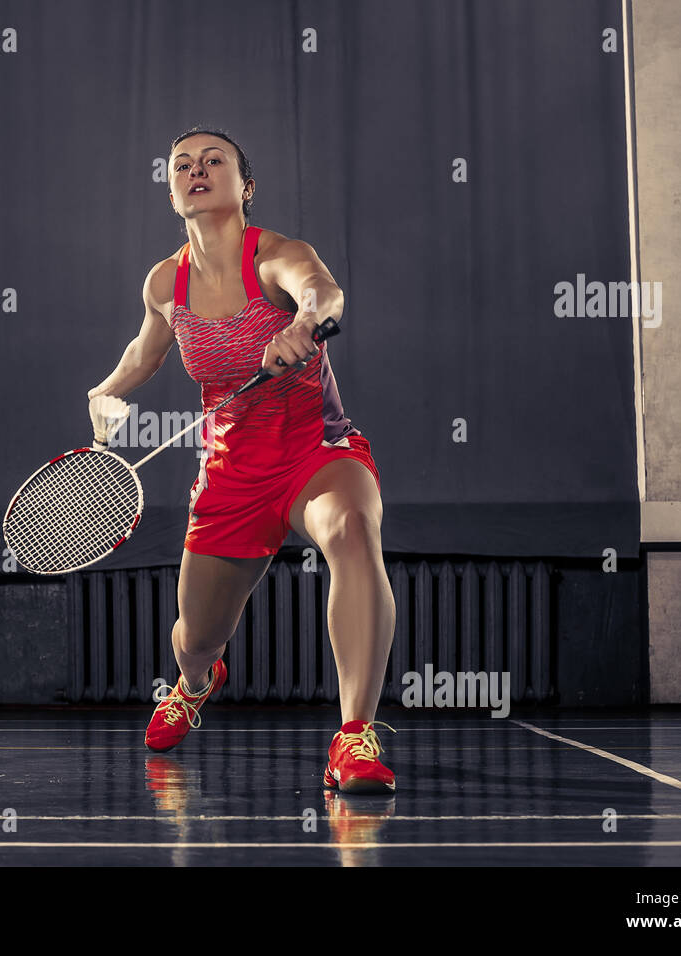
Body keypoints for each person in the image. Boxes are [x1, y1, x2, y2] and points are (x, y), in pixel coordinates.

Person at [87, 127, 398, 793]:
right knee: (196, 638)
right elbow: (146, 352)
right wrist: (108, 392)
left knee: (350, 529)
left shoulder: (277, 257)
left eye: (213, 161)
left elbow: (323, 291)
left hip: (316, 451)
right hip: (230, 473)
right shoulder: (164, 281)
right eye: (182, 165)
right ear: (174, 193)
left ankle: (354, 739)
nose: (196, 170)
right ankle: (196, 684)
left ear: (245, 186)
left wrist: (300, 324)